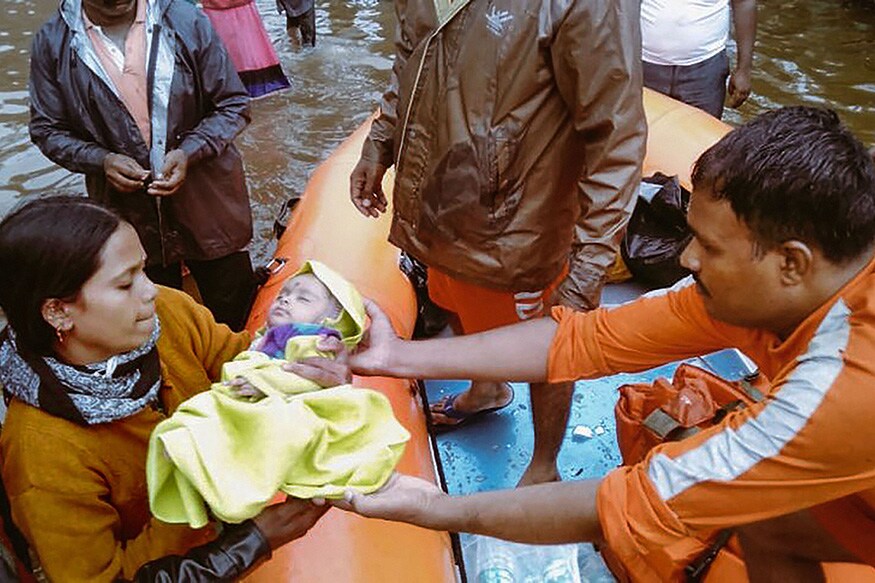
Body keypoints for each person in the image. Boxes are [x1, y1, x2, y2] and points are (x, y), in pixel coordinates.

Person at [340, 107, 875, 580]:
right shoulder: (765, 291)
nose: (687, 259)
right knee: (767, 525)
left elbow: (634, 501)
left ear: (792, 263)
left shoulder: (845, 384)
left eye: (709, 247)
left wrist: (440, 509)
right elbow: (587, 340)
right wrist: (395, 356)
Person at [349, 0, 646, 485]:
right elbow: (409, 62)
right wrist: (378, 144)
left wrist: (590, 265)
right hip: (442, 195)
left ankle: (544, 463)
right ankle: (486, 388)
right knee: (449, 296)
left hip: (521, 218)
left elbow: (615, 134)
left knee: (545, 344)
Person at [0, 196, 342, 582]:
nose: (149, 291)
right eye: (126, 283)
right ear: (58, 312)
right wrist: (251, 542)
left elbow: (244, 359)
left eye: (143, 270)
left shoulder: (169, 312)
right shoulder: (41, 451)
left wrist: (310, 368)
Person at [28, 0, 256, 331]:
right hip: (129, 217)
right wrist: (101, 160)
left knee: (235, 310)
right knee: (154, 324)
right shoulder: (54, 41)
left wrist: (189, 152)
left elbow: (233, 104)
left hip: (209, 205)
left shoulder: (185, 19)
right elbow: (46, 129)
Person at [147, 261, 408, 529]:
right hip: (246, 396)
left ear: (330, 319)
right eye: (282, 294)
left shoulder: (311, 339)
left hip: (273, 402)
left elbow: (299, 375)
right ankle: (192, 456)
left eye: (302, 298)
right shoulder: (271, 338)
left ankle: (202, 462)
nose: (284, 300)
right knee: (211, 410)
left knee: (274, 423)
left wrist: (264, 382)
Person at [641, 0, 757, 119]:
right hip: (643, 65)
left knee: (705, 132)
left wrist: (744, 69)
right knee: (641, 131)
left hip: (706, 70)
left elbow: (744, 3)